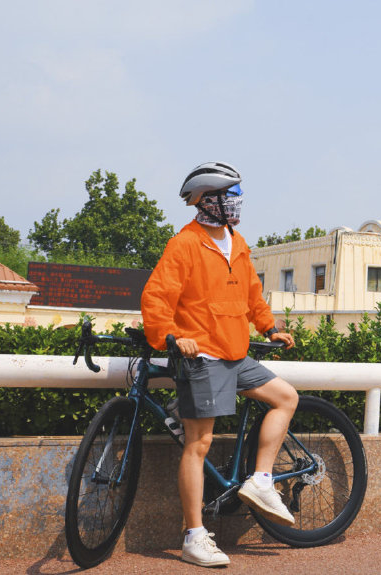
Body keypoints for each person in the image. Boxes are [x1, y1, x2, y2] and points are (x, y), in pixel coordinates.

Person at [141, 162, 299, 568]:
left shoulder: (237, 241)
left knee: (286, 397)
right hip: (203, 355)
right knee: (199, 444)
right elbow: (157, 297)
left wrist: (268, 326)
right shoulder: (185, 244)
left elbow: (251, 296)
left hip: (235, 352)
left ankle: (261, 480)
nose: (236, 203)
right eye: (230, 196)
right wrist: (171, 337)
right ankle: (194, 536)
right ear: (207, 200)